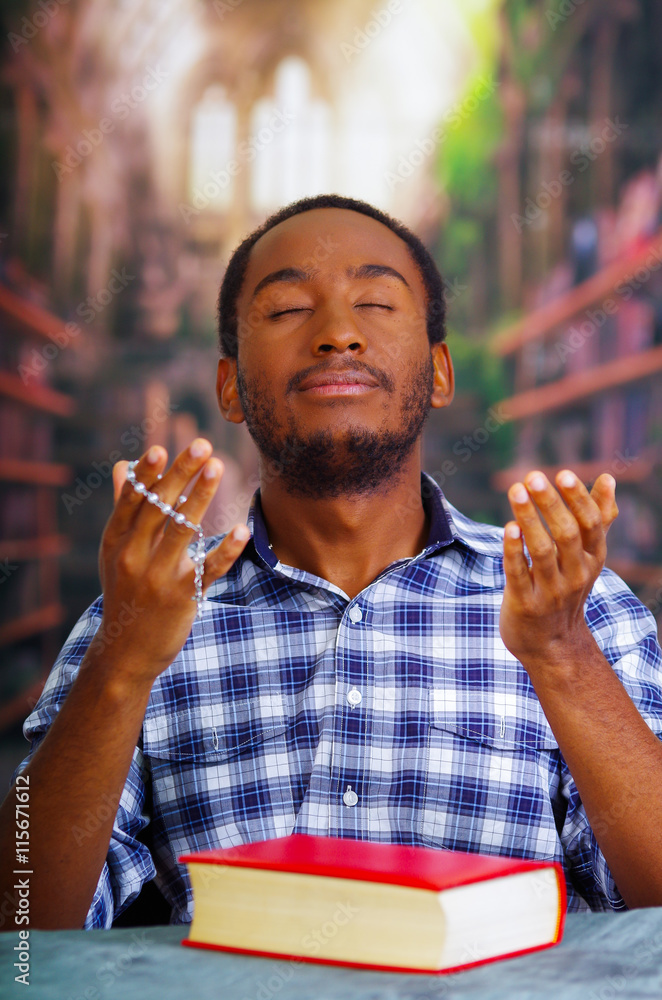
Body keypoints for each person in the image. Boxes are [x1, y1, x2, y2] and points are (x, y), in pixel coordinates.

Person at [2, 194, 662, 931]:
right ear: (230, 386)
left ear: (440, 373)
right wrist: (120, 664)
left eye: (376, 303)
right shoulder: (139, 617)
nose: (338, 334)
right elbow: (19, 929)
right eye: (286, 311)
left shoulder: (577, 608)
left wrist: (565, 656)